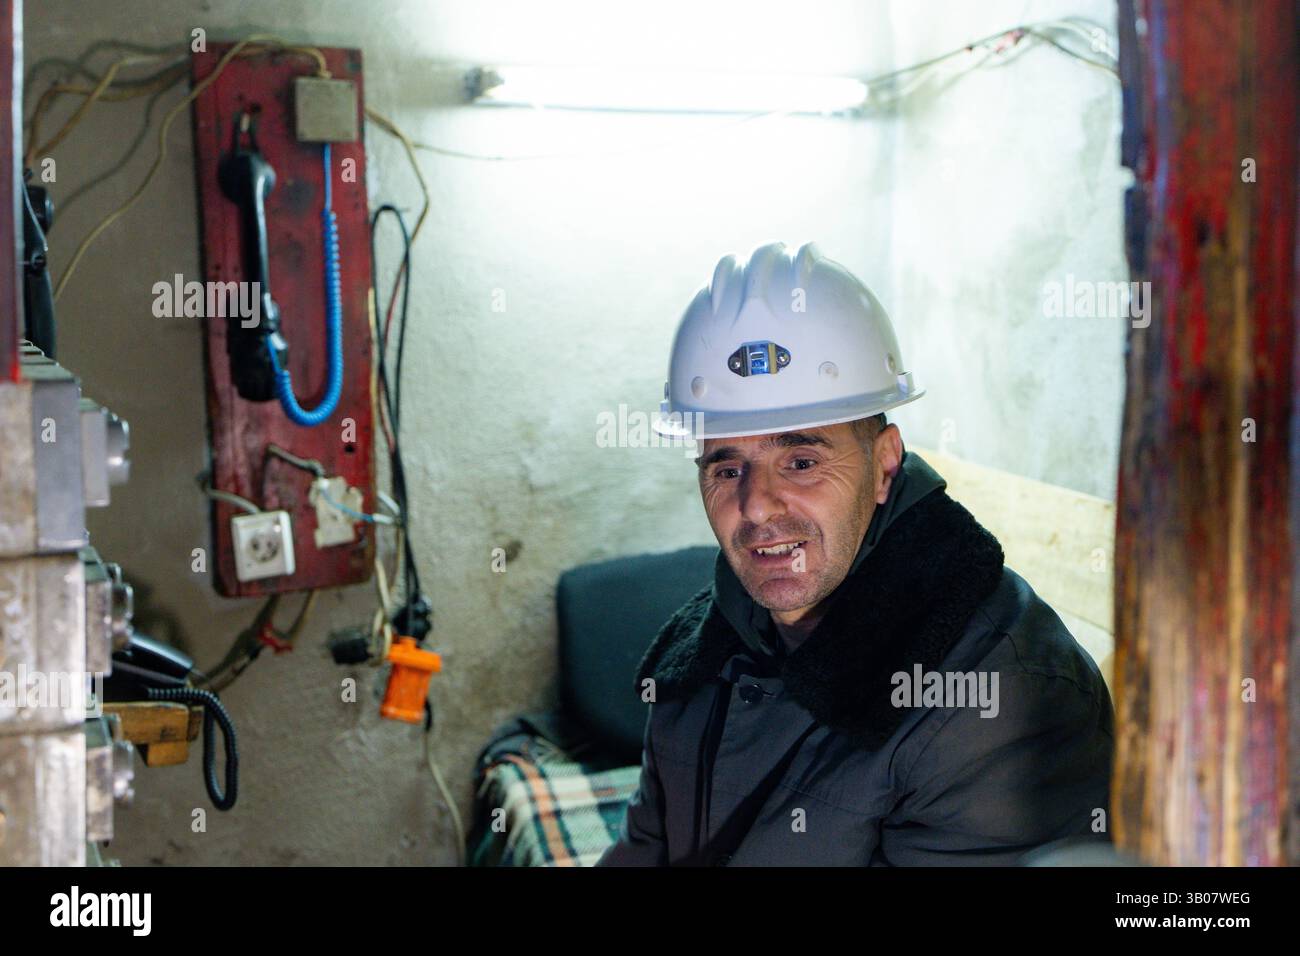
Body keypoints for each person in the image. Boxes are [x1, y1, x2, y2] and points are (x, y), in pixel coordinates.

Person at [596, 241, 1113, 866]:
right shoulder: (698, 655)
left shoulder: (997, 699)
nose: (757, 507)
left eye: (802, 461)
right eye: (726, 468)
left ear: (884, 465)